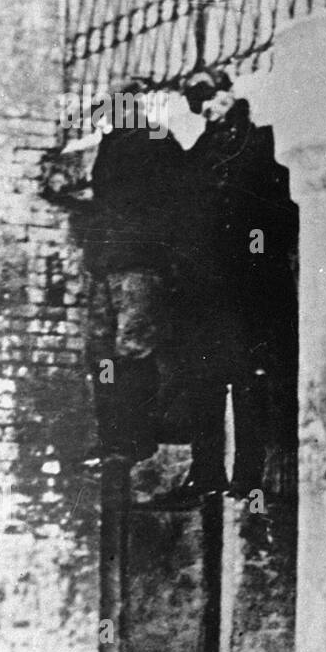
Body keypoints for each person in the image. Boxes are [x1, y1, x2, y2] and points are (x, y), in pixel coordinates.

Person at [150, 70, 298, 509]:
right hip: (207, 289)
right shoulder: (198, 154)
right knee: (203, 379)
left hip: (252, 285)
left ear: (232, 94)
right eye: (201, 103)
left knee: (251, 378)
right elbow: (182, 213)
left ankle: (250, 479)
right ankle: (206, 473)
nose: (209, 108)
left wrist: (259, 253)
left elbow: (282, 211)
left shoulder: (261, 144)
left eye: (213, 98)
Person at [81, 77, 185, 466]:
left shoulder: (156, 141)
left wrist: (162, 251)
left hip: (141, 263)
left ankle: (136, 438)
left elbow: (178, 201)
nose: (104, 119)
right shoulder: (113, 145)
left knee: (134, 350)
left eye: (110, 109)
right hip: (108, 265)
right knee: (102, 353)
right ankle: (112, 436)